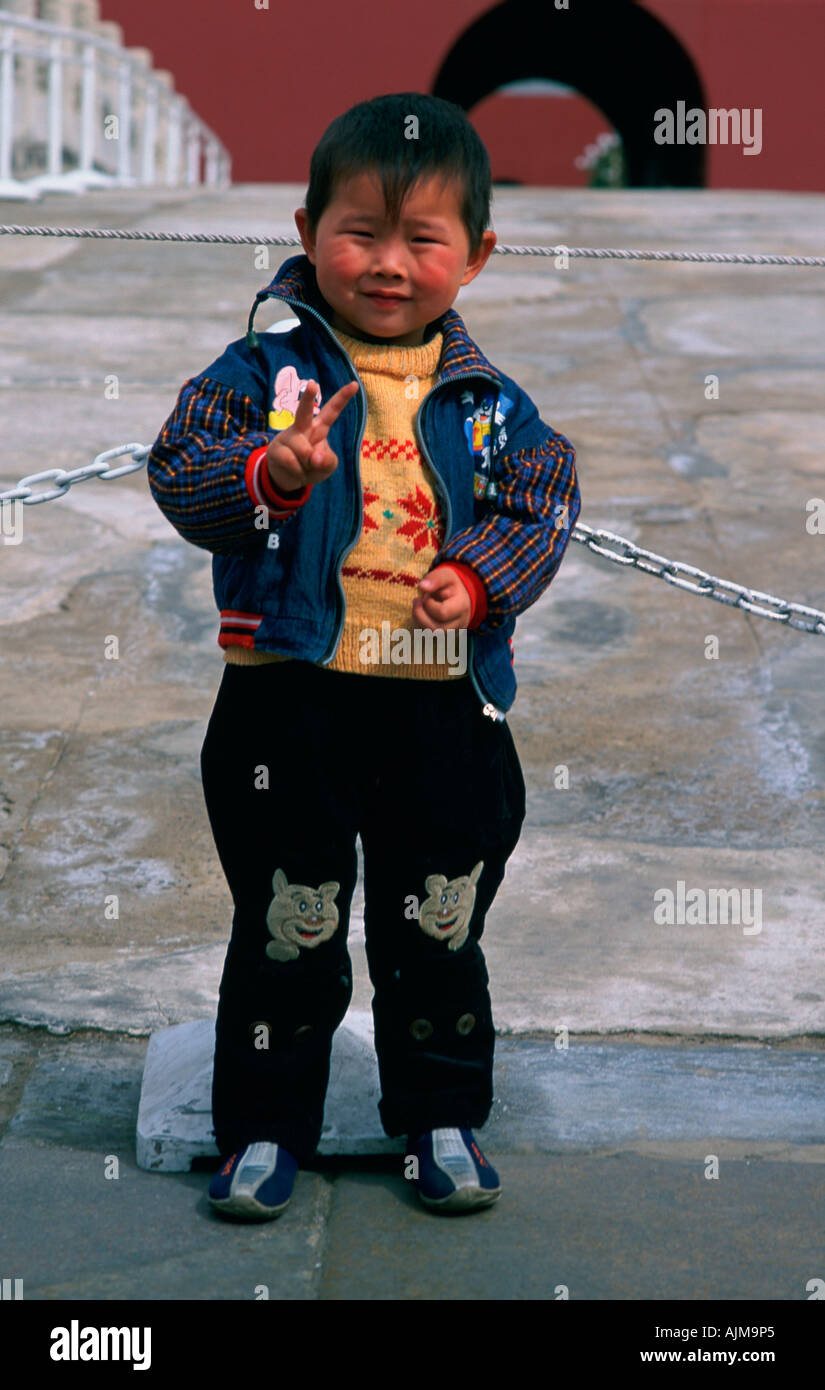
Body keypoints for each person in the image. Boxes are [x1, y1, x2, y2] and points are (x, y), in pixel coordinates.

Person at [147, 91, 581, 1220]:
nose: (388, 264)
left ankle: (439, 1116)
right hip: (288, 703)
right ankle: (262, 1129)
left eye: (422, 238)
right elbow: (178, 468)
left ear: (477, 254)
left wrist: (481, 574)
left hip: (439, 705)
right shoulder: (259, 375)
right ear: (305, 231)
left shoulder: (485, 403)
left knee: (435, 920)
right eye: (360, 232)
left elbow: (546, 497)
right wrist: (269, 474)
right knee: (289, 922)